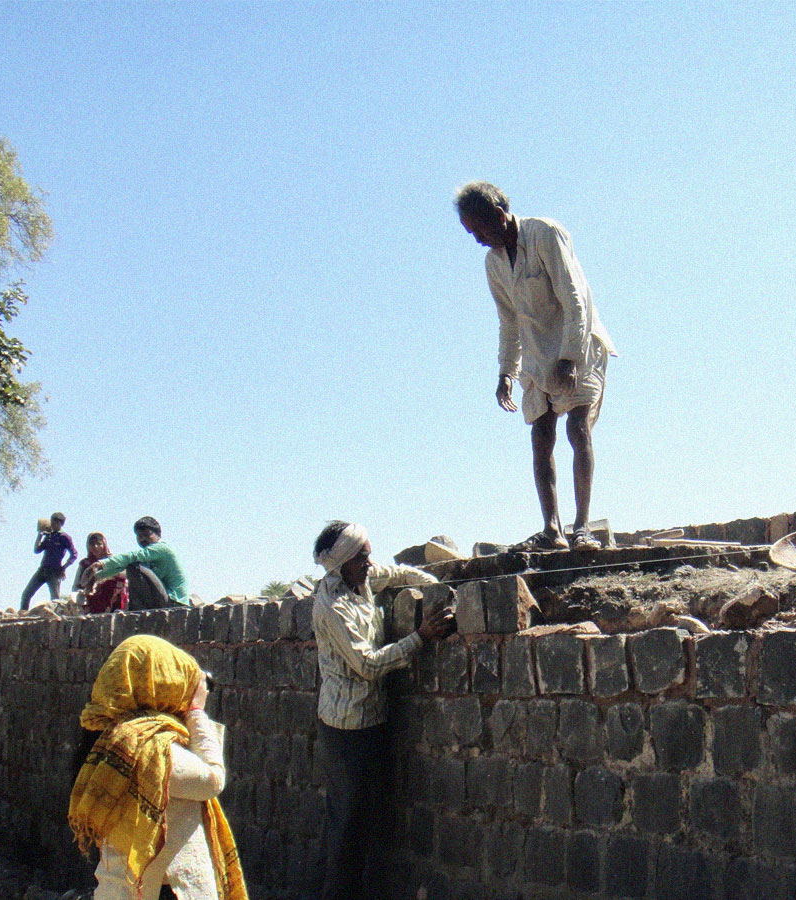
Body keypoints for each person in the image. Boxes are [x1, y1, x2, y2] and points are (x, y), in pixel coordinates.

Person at [455, 181, 616, 552]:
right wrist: (505, 373)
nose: (477, 239)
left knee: (578, 428)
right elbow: (508, 320)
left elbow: (575, 296)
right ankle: (551, 530)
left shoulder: (545, 233)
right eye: (471, 233)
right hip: (536, 356)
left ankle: (582, 528)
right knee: (541, 436)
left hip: (576, 343)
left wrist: (570, 356)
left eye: (480, 229)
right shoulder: (493, 263)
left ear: (499, 215)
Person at [311, 521, 455, 900]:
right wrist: (419, 638)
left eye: (368, 552)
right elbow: (368, 664)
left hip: (369, 720)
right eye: (361, 556)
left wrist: (435, 586)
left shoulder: (363, 580)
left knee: (357, 821)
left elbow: (398, 573)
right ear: (341, 563)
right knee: (349, 828)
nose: (369, 561)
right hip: (346, 729)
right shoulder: (333, 605)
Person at [68, 634, 246, 900]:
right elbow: (212, 779)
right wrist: (196, 712)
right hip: (164, 889)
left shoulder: (107, 739)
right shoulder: (150, 747)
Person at [88, 516, 189, 609]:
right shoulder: (149, 557)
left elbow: (132, 557)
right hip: (164, 598)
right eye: (139, 536)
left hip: (174, 601)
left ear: (157, 534)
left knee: (134, 566)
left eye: (147, 535)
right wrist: (97, 576)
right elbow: (121, 567)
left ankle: (137, 609)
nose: (142, 539)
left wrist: (101, 564)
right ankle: (137, 609)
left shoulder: (161, 548)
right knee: (131, 565)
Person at [21, 511, 77, 610]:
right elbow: (37, 550)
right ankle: (23, 613)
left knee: (55, 600)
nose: (52, 525)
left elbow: (74, 554)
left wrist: (64, 567)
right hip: (42, 569)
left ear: (60, 523)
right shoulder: (49, 536)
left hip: (54, 571)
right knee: (26, 594)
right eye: (52, 522)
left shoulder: (64, 537)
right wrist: (40, 535)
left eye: (55, 523)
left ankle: (55, 618)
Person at [74, 532, 129, 614]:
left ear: (104, 545)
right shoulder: (85, 563)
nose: (95, 547)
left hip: (111, 596)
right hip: (89, 598)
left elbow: (124, 574)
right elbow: (77, 585)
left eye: (99, 544)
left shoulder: (112, 560)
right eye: (92, 544)